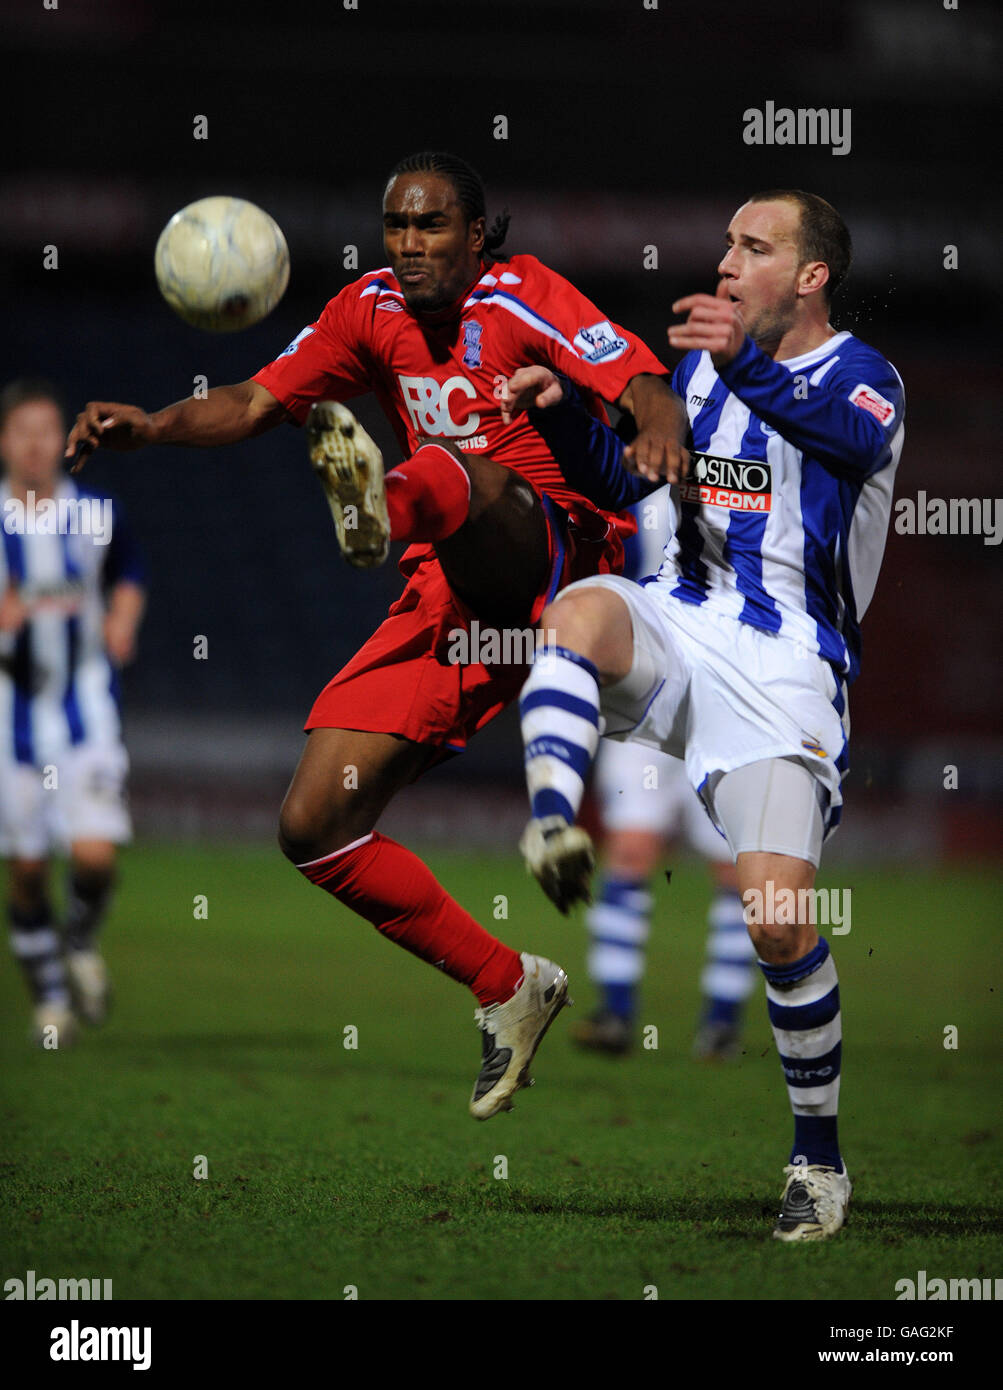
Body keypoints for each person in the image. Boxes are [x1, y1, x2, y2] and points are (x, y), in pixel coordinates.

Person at [65, 150, 689, 1120]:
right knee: (312, 823)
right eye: (396, 226)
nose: (409, 244)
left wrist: (660, 428)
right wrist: (151, 426)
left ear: (475, 235)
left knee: (463, 475)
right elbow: (259, 400)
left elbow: (639, 373)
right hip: (453, 602)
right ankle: (508, 984)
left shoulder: (522, 296)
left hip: (562, 555)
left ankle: (383, 509)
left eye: (430, 225)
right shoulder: (370, 309)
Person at [507, 190, 905, 1238]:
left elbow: (842, 443)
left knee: (777, 920)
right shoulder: (697, 374)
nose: (726, 258)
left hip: (784, 672)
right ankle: (551, 815)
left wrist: (740, 369)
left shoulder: (865, 379)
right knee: (580, 610)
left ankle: (817, 1162)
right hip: (681, 625)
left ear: (810, 275)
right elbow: (636, 479)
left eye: (754, 245)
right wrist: (558, 415)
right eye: (725, 241)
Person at [571, 490, 755, 1058]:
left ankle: (722, 1023)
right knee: (629, 847)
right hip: (643, 695)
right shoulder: (627, 481)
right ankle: (616, 1014)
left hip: (724, 697)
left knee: (734, 870)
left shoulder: (744, 470)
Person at [1, 378, 146, 1045]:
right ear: (5, 441)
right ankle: (51, 1002)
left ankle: (79, 937)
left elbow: (128, 571)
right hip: (12, 717)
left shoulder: (94, 512)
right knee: (27, 868)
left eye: (46, 431)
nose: (35, 445)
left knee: (93, 858)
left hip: (85, 708)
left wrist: (121, 618)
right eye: (22, 431)